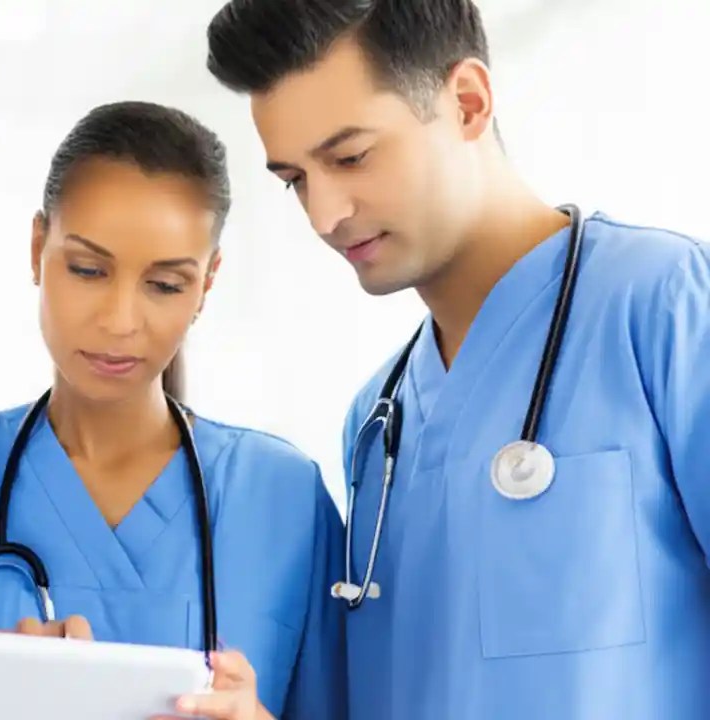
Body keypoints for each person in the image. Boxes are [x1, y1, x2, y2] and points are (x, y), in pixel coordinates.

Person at [206, 1, 710, 718]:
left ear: (468, 103)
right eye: (296, 179)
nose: (324, 215)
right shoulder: (377, 422)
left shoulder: (665, 306)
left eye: (350, 157)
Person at [0, 100, 347, 720]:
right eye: (88, 269)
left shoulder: (283, 497)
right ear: (38, 248)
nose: (121, 321)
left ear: (206, 284)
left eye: (165, 285)